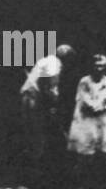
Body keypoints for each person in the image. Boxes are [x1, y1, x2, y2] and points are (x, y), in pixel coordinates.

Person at [67, 54, 106, 189]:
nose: (99, 69)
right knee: (84, 162)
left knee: (104, 161)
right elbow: (87, 104)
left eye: (102, 66)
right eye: (96, 65)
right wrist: (101, 106)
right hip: (86, 126)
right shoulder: (84, 82)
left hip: (104, 127)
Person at [21, 44, 77, 179]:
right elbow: (51, 88)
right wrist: (53, 106)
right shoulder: (54, 64)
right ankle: (32, 175)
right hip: (34, 101)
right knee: (37, 137)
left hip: (29, 98)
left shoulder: (46, 60)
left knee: (34, 135)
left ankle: (34, 172)